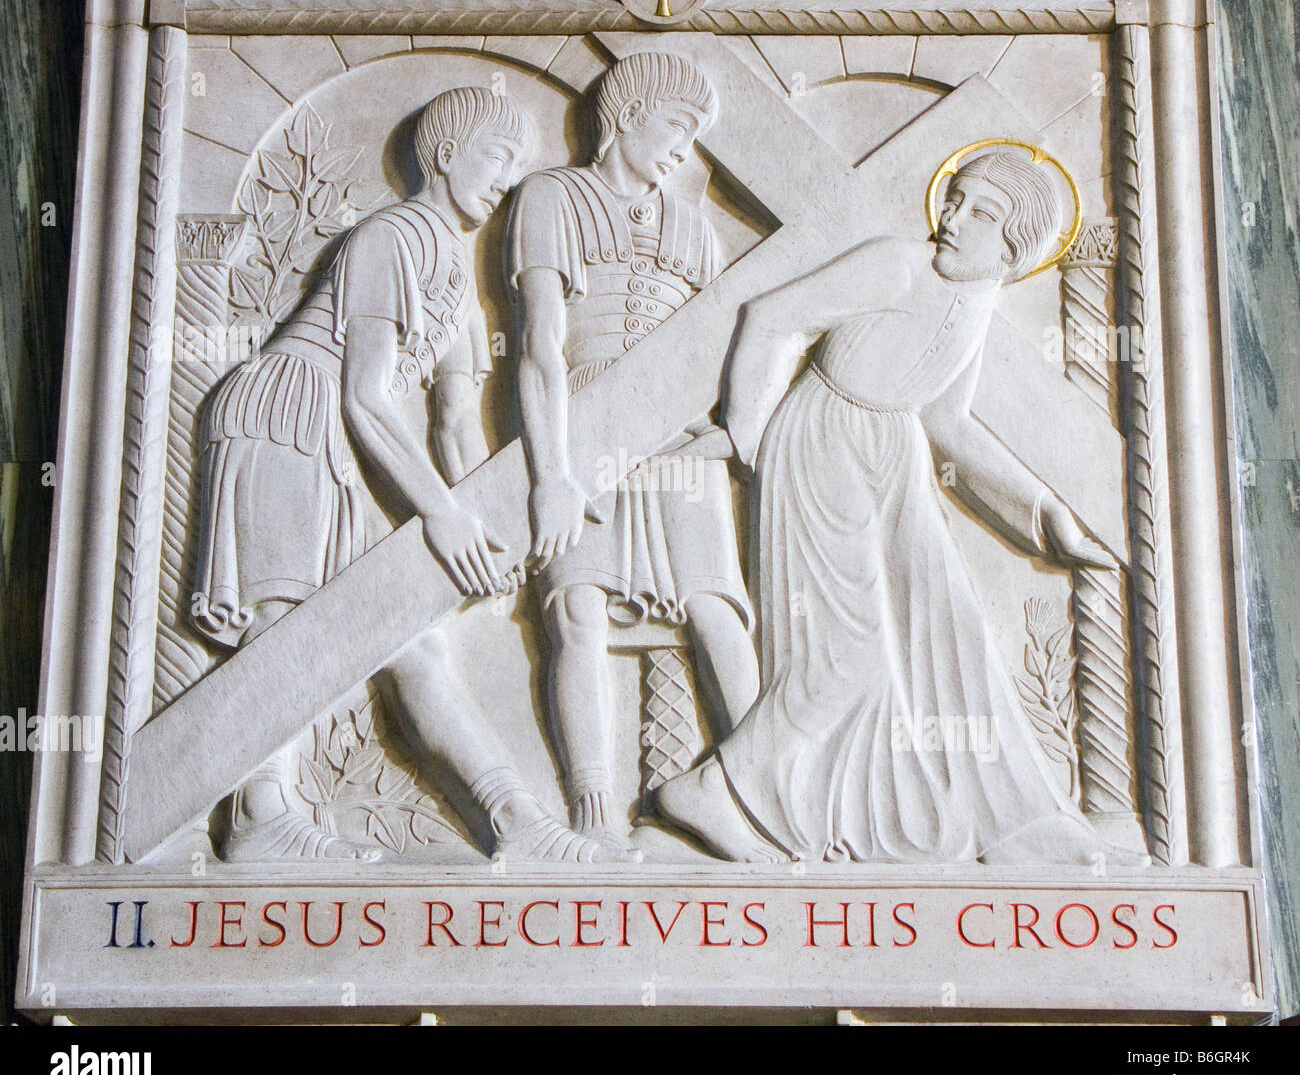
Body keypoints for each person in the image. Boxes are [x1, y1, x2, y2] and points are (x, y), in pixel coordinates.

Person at [654, 147, 1133, 865]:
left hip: (896, 458)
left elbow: (946, 424)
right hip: (823, 444)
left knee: (950, 633)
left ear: (1015, 247)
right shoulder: (896, 261)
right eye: (957, 199)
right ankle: (715, 789)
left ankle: (1020, 825)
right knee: (843, 654)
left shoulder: (978, 301)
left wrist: (1042, 513)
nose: (954, 218)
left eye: (982, 213)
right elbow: (772, 317)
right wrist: (751, 439)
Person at [190, 86, 617, 864]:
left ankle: (511, 817)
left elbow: (455, 422)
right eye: (495, 157)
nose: (505, 177)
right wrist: (441, 517)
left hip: (356, 442)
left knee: (409, 634)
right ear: (446, 155)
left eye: (518, 166)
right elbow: (366, 394)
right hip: (294, 409)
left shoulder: (454, 277)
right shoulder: (395, 236)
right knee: (285, 613)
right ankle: (258, 812)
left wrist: (490, 540)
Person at [507, 52, 759, 851]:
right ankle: (593, 812)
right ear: (626, 113)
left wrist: (737, 426)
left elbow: (728, 354)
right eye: (678, 126)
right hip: (581, 433)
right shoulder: (548, 198)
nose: (687, 148)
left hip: (680, 445)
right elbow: (539, 347)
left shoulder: (694, 226)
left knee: (715, 611)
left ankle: (765, 801)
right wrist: (551, 475)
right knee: (577, 613)